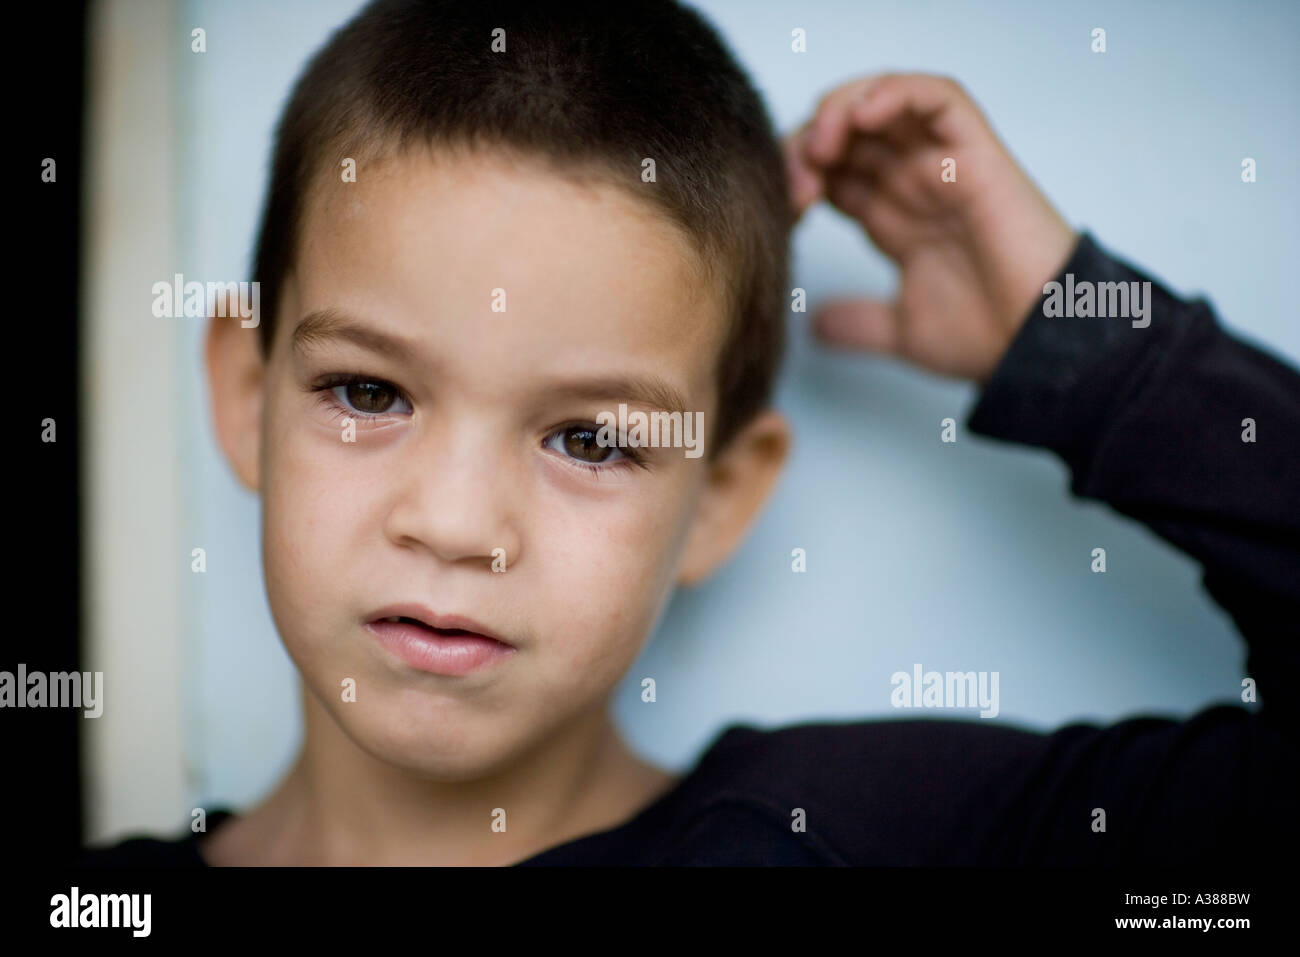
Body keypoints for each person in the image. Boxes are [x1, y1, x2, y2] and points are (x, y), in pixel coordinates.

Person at [80, 0, 1297, 866]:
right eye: (368, 393)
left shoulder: (855, 841)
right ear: (246, 395)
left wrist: (1093, 351)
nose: (452, 524)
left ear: (722, 495)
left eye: (592, 441)